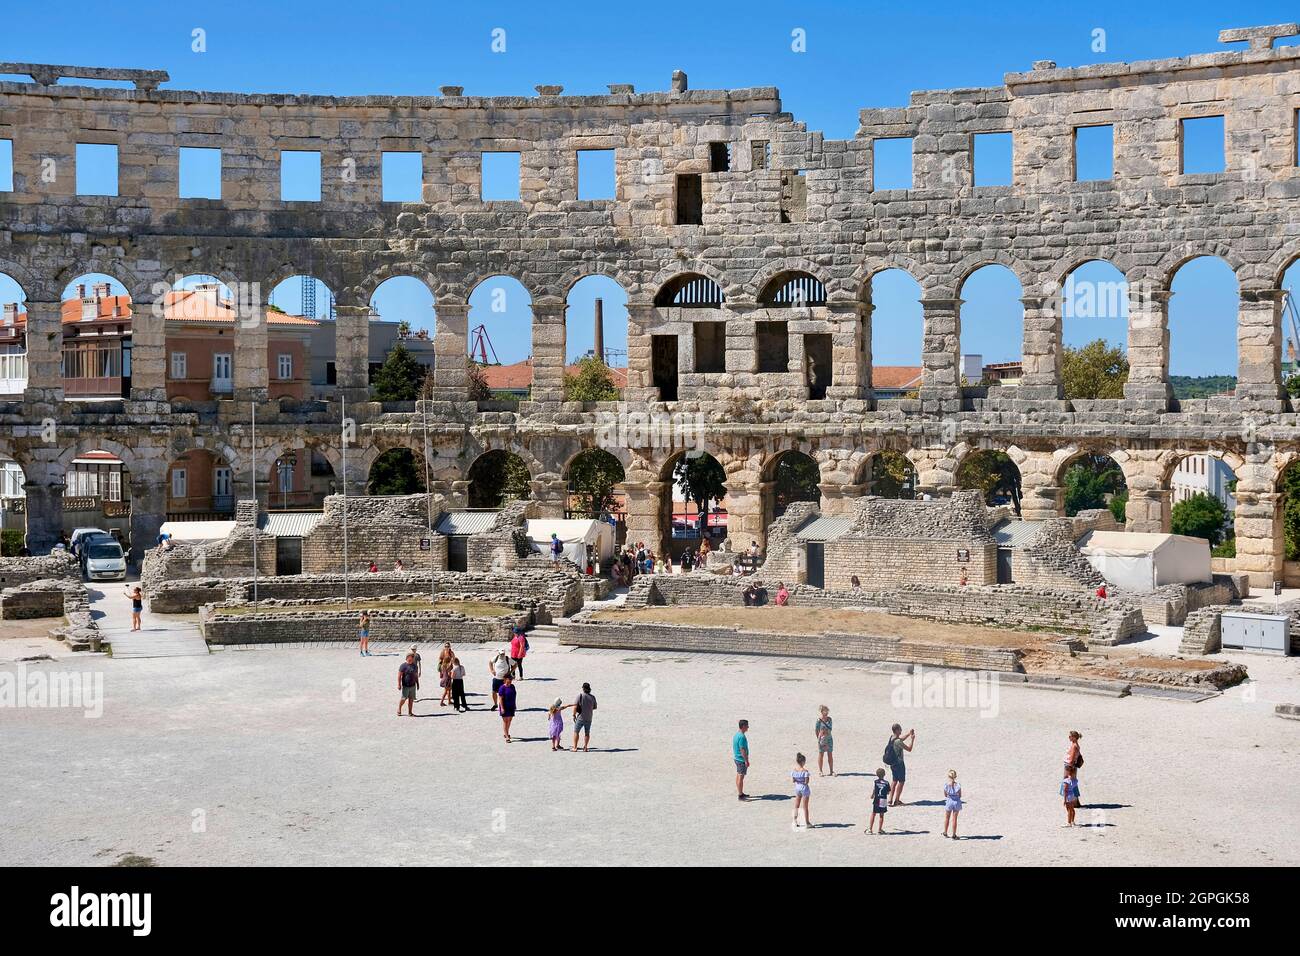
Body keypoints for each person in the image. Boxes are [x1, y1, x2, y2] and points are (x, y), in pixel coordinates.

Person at [887, 723, 915, 806]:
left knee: (894, 781)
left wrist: (909, 734)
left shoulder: (892, 737)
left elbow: (900, 739)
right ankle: (897, 800)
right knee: (901, 782)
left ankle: (890, 800)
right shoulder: (898, 741)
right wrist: (912, 739)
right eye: (900, 729)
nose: (901, 730)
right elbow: (909, 749)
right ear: (897, 730)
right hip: (899, 763)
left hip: (892, 763)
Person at [572, 682, 597, 751]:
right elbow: (595, 707)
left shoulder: (580, 696)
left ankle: (575, 747)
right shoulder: (592, 697)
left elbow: (575, 707)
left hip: (580, 717)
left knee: (576, 731)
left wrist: (574, 715)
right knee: (587, 733)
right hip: (589, 717)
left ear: (583, 688)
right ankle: (585, 747)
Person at [791, 753, 812, 828]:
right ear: (803, 762)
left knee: (796, 805)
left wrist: (798, 780)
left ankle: (794, 821)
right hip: (804, 788)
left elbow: (793, 780)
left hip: (797, 788)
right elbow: (806, 782)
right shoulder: (805, 771)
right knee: (805, 807)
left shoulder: (794, 771)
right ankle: (807, 823)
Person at [733, 719, 751, 801]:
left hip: (736, 758)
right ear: (743, 726)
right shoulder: (742, 737)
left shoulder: (737, 735)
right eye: (747, 725)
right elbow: (742, 749)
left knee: (738, 775)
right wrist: (746, 760)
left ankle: (740, 792)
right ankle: (740, 795)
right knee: (741, 777)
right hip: (741, 759)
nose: (748, 727)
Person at [397, 652, 419, 717]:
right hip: (405, 685)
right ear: (407, 658)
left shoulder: (415, 666)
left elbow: (416, 675)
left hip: (413, 685)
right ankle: (399, 708)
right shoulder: (403, 666)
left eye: (412, 658)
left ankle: (410, 712)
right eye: (410, 657)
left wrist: (417, 683)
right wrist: (399, 684)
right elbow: (399, 676)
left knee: (411, 699)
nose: (411, 659)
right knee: (403, 698)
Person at [942, 770, 963, 839]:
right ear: (955, 777)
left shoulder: (946, 785)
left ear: (948, 777)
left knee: (947, 818)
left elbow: (945, 795)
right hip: (956, 802)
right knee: (954, 819)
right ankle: (954, 835)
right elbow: (960, 795)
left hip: (949, 801)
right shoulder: (958, 785)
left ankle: (945, 832)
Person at [868, 768, 890, 834]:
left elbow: (875, 789)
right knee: (881, 815)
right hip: (883, 799)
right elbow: (888, 792)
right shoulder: (886, 783)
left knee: (873, 813)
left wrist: (872, 795)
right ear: (884, 774)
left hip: (877, 799)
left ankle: (870, 829)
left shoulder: (876, 782)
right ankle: (880, 829)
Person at [815, 705, 834, 776]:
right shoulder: (818, 720)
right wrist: (819, 739)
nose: (827, 712)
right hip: (822, 739)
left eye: (827, 710)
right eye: (825, 710)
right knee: (821, 754)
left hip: (829, 738)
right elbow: (816, 730)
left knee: (830, 754)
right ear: (822, 711)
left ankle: (831, 771)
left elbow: (830, 728)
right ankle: (820, 771)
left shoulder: (829, 719)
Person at [498, 674, 517, 742]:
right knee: (505, 721)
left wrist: (514, 704)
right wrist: (502, 708)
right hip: (504, 706)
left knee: (510, 720)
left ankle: (506, 732)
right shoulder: (502, 688)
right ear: (505, 679)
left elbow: (514, 696)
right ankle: (507, 736)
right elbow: (500, 699)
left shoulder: (512, 686)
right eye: (509, 679)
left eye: (511, 679)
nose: (511, 680)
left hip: (511, 706)